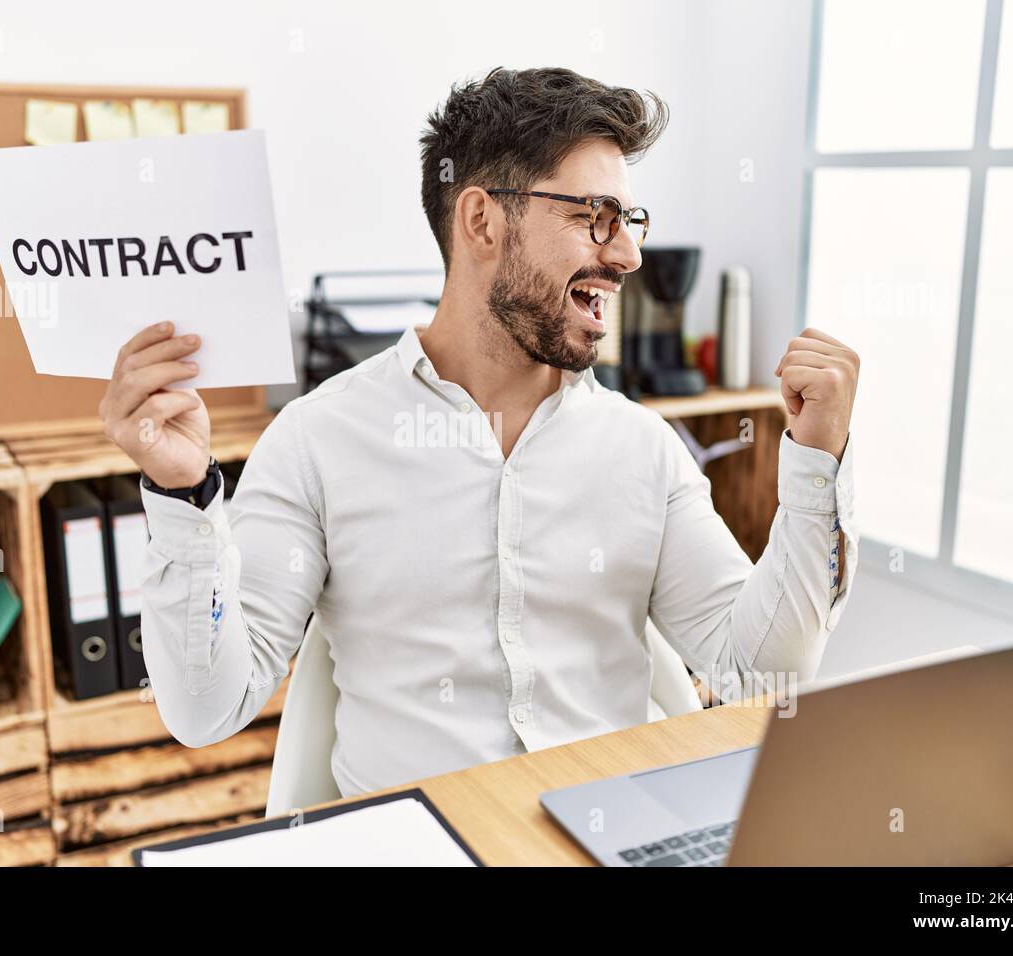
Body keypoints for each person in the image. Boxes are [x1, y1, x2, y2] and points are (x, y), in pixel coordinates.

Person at [99, 66, 860, 797]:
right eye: (594, 215)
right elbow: (207, 709)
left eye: (629, 221)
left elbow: (762, 675)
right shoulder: (319, 441)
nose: (627, 253)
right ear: (482, 220)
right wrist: (180, 492)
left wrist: (815, 464)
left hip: (603, 837)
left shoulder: (643, 449)